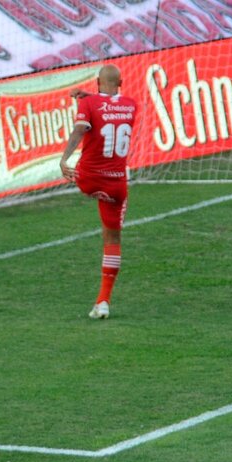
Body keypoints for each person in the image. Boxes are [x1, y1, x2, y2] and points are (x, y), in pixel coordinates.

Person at [60, 64, 138, 319]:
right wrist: (90, 99)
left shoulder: (88, 104)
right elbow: (109, 109)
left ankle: (101, 305)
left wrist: (64, 159)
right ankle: (104, 300)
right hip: (116, 183)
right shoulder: (131, 105)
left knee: (87, 175)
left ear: (96, 82)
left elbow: (81, 128)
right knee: (112, 239)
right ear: (122, 81)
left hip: (88, 179)